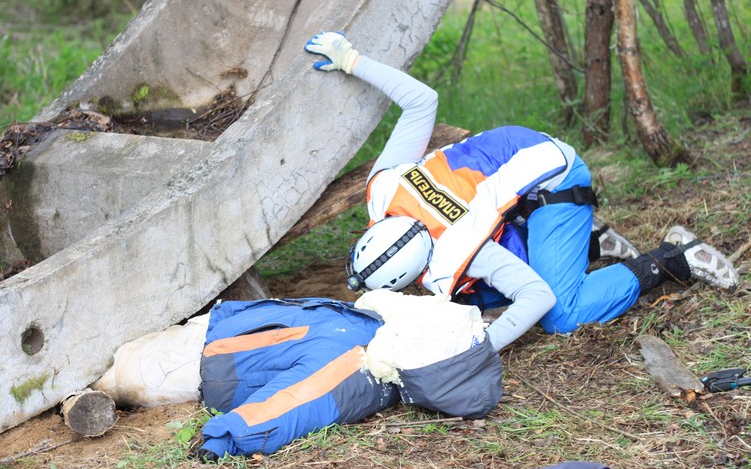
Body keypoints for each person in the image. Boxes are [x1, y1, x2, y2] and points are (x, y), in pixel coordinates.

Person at [304, 32, 740, 353]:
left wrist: (479, 349)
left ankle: (675, 257)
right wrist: (351, 59)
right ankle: (585, 242)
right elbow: (422, 101)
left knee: (561, 313)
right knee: (471, 293)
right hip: (510, 153)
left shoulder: (458, 249)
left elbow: (538, 297)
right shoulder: (384, 189)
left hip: (555, 176)